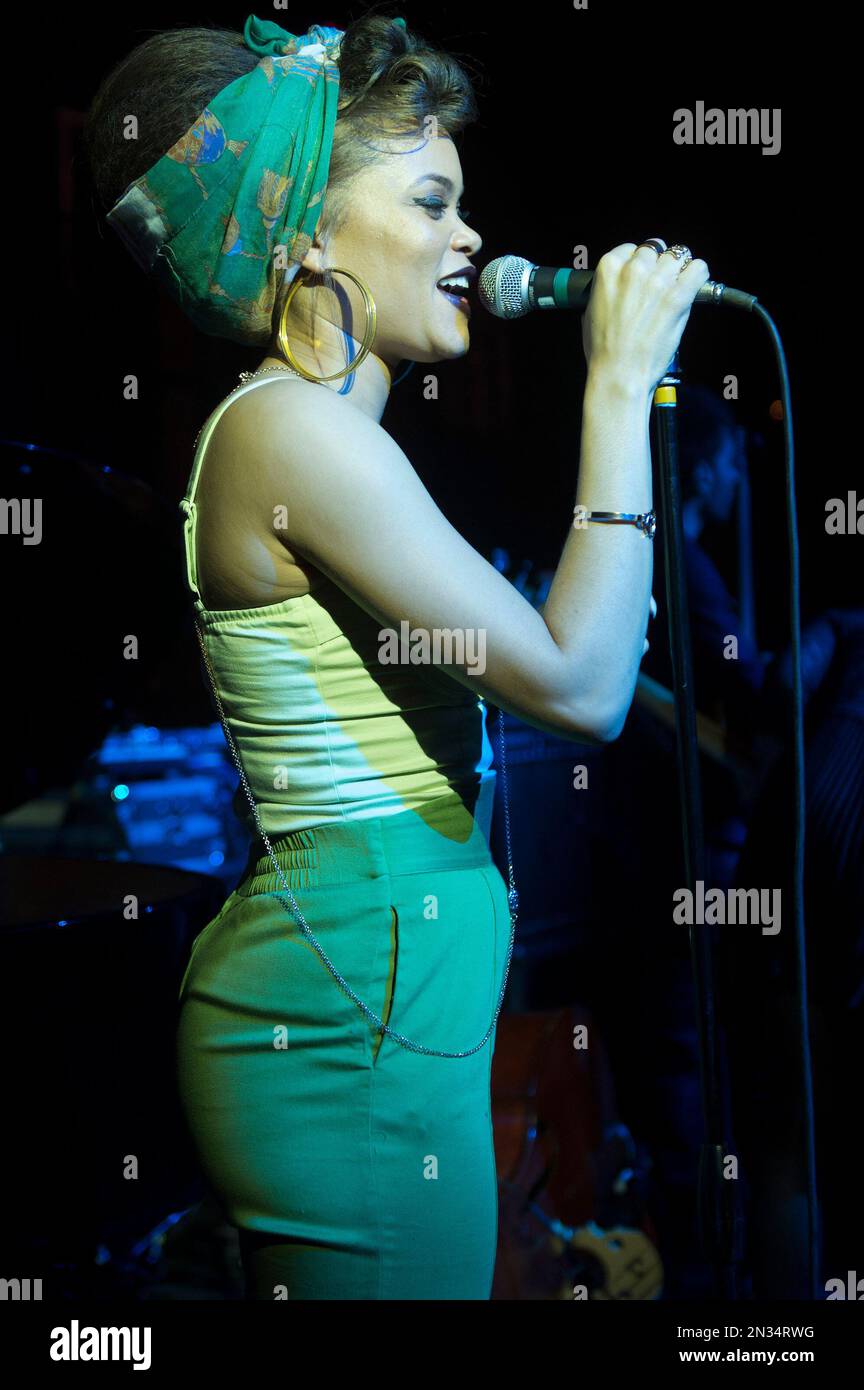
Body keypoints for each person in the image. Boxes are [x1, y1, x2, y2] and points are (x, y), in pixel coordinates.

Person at [84, 9, 711, 1300]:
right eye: (430, 201)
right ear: (309, 233)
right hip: (337, 1029)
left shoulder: (328, 440)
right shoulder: (287, 434)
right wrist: (616, 388)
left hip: (381, 1012)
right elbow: (579, 685)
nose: (470, 237)